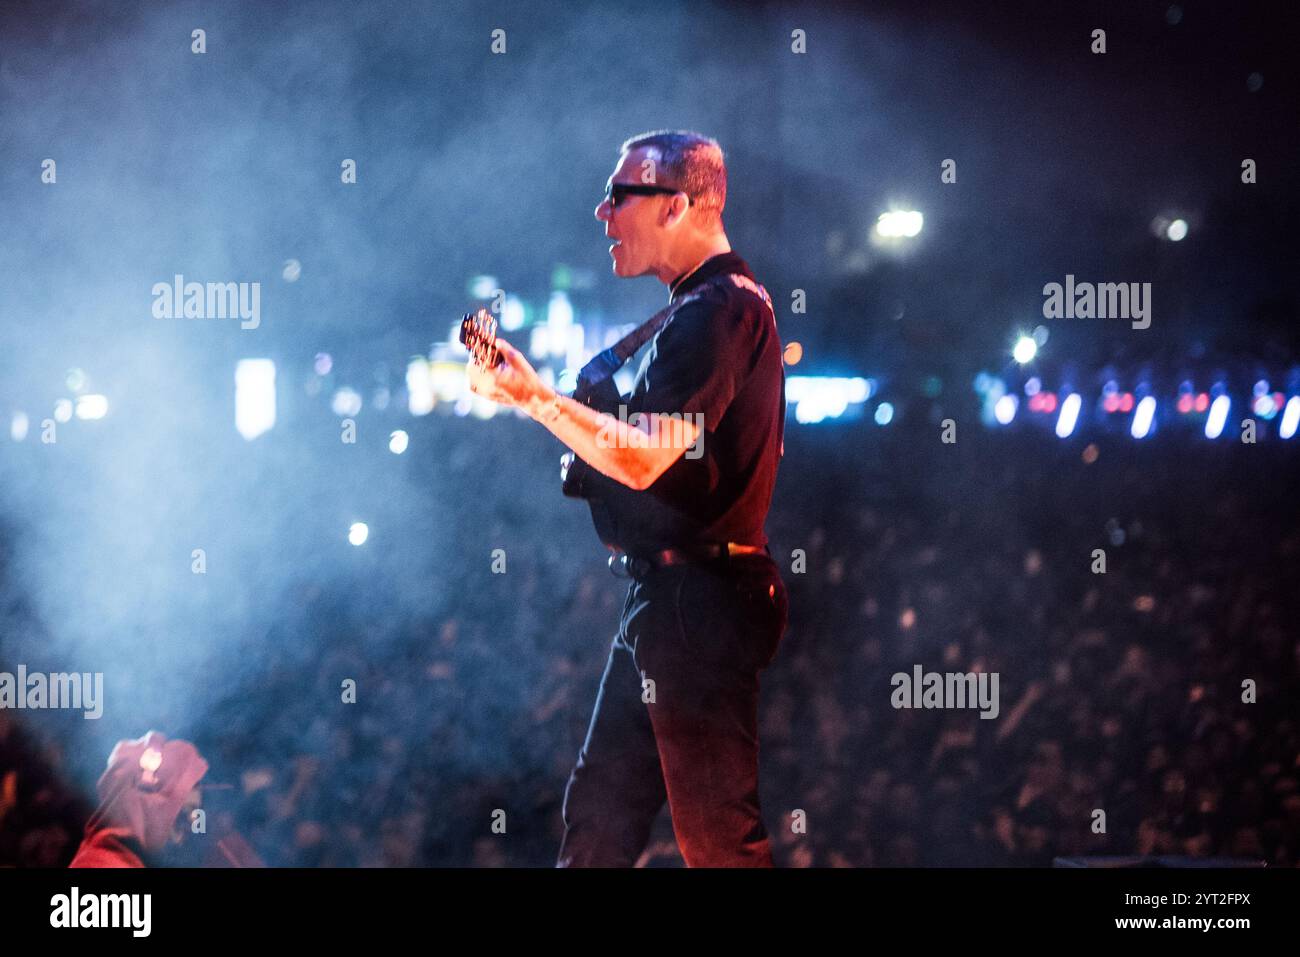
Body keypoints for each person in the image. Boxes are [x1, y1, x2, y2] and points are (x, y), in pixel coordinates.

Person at [467, 130, 788, 867]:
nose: (601, 212)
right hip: (670, 597)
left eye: (620, 195)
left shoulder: (717, 311)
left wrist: (535, 399)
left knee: (715, 838)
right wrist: (534, 396)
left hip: (698, 603)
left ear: (676, 205)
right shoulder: (697, 309)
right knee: (602, 815)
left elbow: (642, 459)